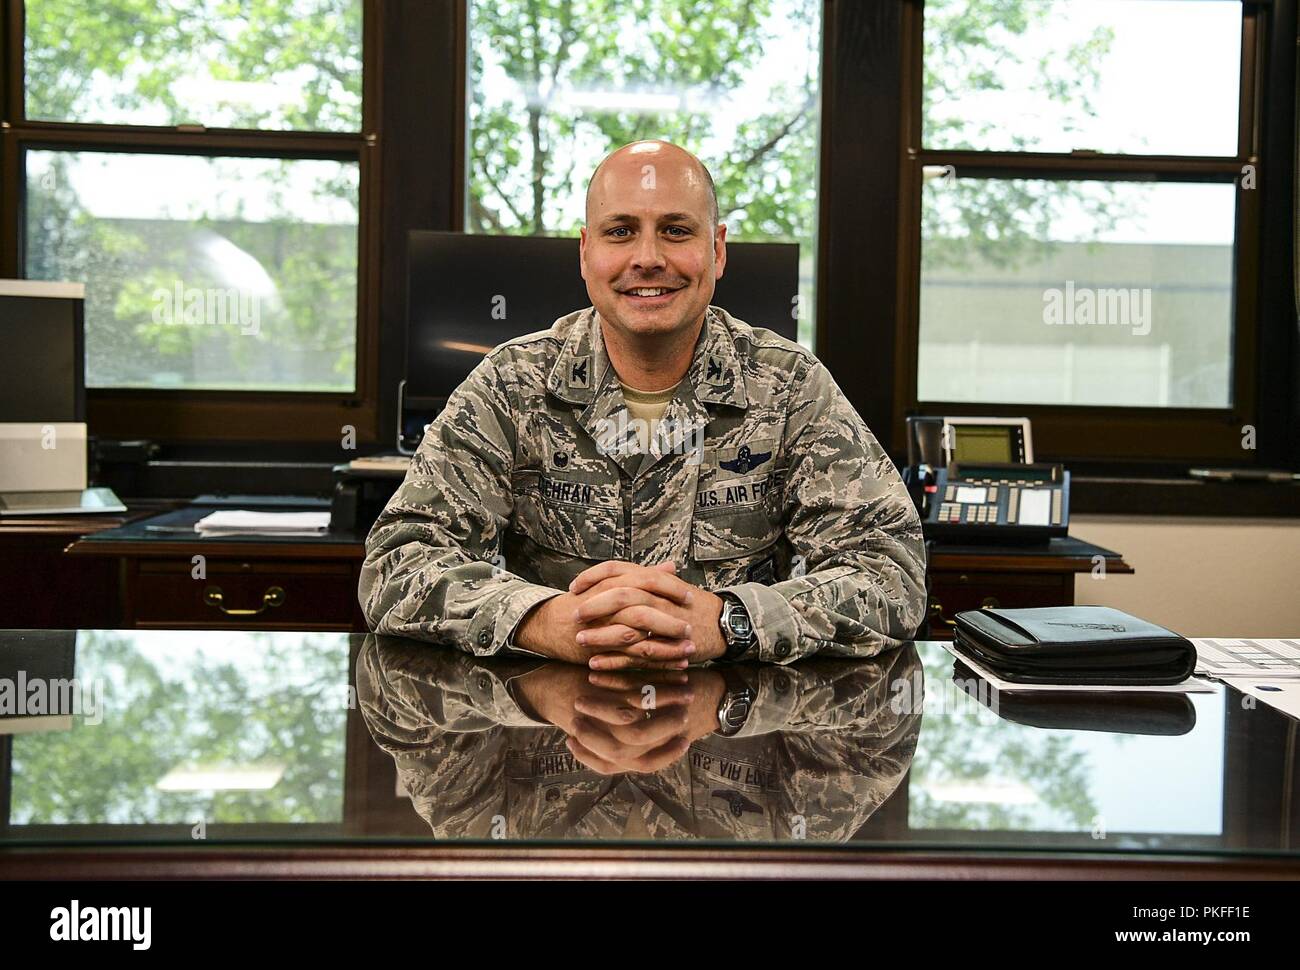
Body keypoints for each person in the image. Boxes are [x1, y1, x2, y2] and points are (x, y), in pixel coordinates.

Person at [358, 140, 926, 668]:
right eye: (621, 231)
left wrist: (733, 621)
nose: (648, 258)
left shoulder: (789, 386)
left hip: (732, 742)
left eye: (676, 230)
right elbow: (396, 564)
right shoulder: (512, 384)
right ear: (586, 252)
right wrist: (540, 620)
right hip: (546, 741)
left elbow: (891, 572)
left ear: (718, 250)